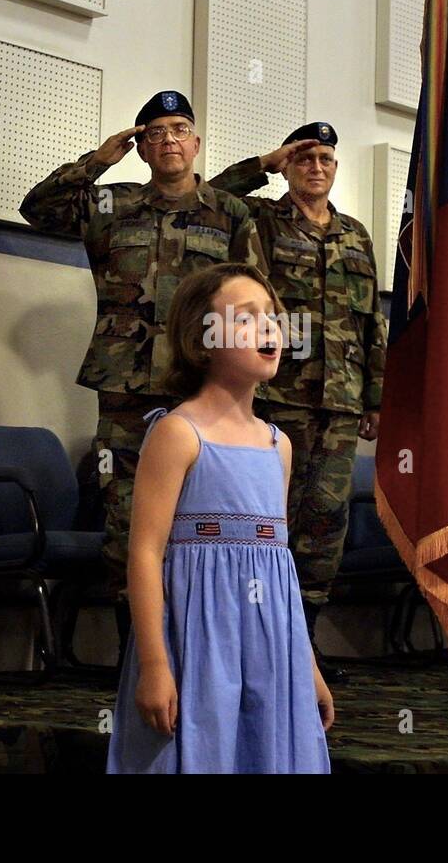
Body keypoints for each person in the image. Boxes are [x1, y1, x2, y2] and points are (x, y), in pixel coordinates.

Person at [18, 91, 267, 667]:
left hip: (203, 387)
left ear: (196, 143)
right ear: (143, 147)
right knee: (128, 520)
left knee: (207, 517)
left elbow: (252, 305)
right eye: (155, 133)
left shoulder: (231, 214)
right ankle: (141, 658)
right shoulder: (112, 203)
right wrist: (100, 159)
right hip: (126, 388)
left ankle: (202, 656)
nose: (169, 141)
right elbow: (40, 208)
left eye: (179, 129)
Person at [106, 262, 333, 773]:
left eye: (273, 318)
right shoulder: (178, 433)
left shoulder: (279, 445)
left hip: (272, 648)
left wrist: (308, 666)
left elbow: (279, 570)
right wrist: (156, 664)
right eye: (247, 318)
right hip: (198, 647)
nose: (270, 328)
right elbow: (144, 552)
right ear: (202, 339)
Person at [209, 122, 387, 683]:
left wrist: (376, 396)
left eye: (326, 159)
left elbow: (370, 324)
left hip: (340, 400)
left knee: (325, 524)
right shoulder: (260, 219)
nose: (316, 167)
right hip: (277, 395)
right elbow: (211, 198)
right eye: (304, 158)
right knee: (269, 520)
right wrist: (264, 160)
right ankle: (256, 644)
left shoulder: (356, 234)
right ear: (288, 166)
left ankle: (300, 647)